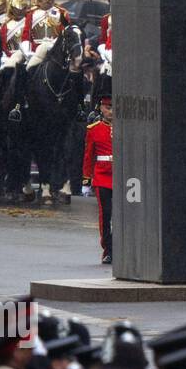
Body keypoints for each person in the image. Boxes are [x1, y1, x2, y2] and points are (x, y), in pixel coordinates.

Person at [81, 84, 114, 264]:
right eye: (108, 108)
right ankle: (108, 249)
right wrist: (86, 179)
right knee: (105, 214)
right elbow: (89, 156)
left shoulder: (125, 127)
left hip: (122, 176)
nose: (111, 112)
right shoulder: (94, 129)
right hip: (102, 176)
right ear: (101, 108)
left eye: (114, 108)